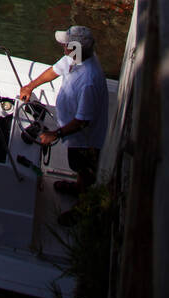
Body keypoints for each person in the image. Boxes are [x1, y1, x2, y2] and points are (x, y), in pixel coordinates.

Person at [18, 24, 109, 194]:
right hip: (73, 132)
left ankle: (80, 206)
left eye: (66, 44)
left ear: (76, 48)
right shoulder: (76, 57)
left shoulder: (89, 80)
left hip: (85, 140)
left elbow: (82, 121)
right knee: (77, 166)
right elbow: (54, 71)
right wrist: (30, 87)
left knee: (83, 168)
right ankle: (77, 187)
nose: (62, 46)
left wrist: (55, 134)